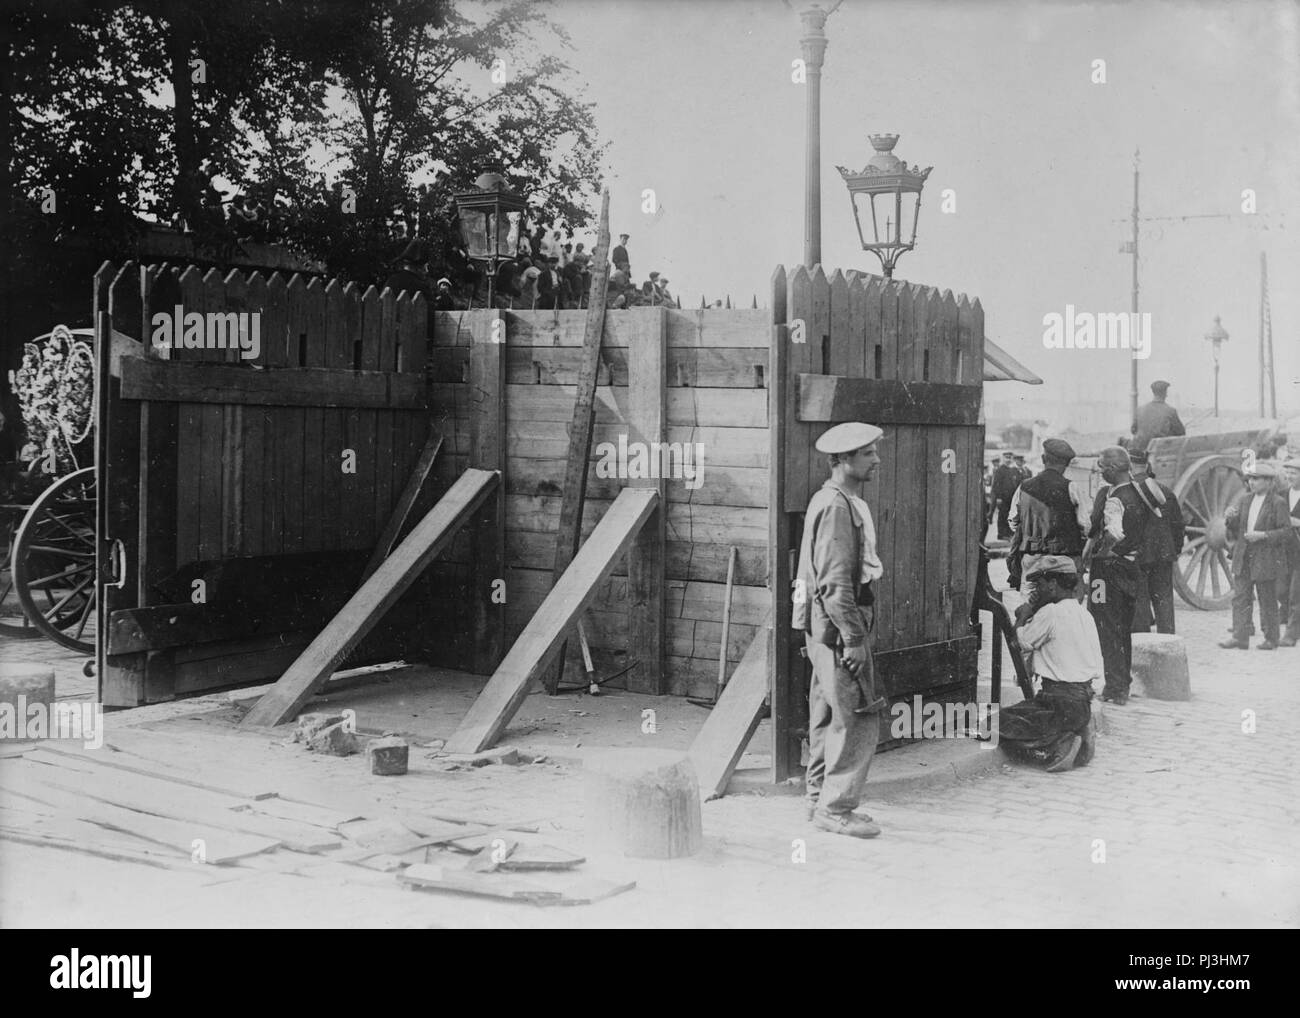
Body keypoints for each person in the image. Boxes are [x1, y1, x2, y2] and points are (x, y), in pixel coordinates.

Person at [792, 421, 889, 839]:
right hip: (838, 626)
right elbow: (833, 582)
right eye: (868, 453)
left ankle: (818, 799)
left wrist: (807, 629)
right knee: (858, 716)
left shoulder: (833, 500)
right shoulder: (835, 506)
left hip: (822, 628)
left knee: (827, 713)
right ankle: (835, 807)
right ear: (843, 460)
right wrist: (853, 638)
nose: (876, 460)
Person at [1000, 556, 1103, 772]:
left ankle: (1058, 745)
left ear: (1053, 585)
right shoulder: (1085, 615)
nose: (1036, 590)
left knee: (992, 723)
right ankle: (1077, 732)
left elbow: (1020, 642)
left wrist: (1024, 614)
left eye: (1040, 584)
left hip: (1057, 703)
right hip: (1082, 703)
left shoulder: (1050, 613)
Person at [1085, 445, 1152, 705]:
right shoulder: (1137, 492)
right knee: (1121, 626)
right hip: (1128, 569)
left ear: (1113, 469)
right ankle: (1121, 682)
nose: (1100, 471)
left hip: (1106, 571)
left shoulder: (1114, 498)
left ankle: (1114, 687)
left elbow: (1112, 534)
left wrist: (1098, 555)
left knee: (1105, 623)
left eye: (1102, 467)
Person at [1219, 461, 1292, 650]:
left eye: (1256, 479)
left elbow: (1286, 532)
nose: (1251, 482)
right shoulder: (1245, 500)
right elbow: (1237, 528)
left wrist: (1263, 535)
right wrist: (1230, 518)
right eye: (1250, 479)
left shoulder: (1278, 502)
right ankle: (1240, 637)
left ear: (1268, 482)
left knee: (1266, 598)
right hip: (1244, 555)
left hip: (1266, 556)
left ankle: (1271, 638)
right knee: (1241, 597)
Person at [1007, 438, 1091, 600]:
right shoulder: (1071, 487)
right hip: (1065, 558)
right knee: (1067, 610)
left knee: (1032, 610)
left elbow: (1013, 521)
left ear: (1043, 459)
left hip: (1032, 558)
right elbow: (1085, 526)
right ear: (1066, 464)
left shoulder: (1024, 486)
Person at [1130, 452, 1185, 634]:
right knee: (1164, 603)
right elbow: (1178, 526)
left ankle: (1143, 646)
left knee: (1140, 605)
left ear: (1130, 467)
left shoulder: (1125, 492)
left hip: (1136, 557)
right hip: (1163, 555)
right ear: (1147, 466)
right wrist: (1174, 550)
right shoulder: (1165, 491)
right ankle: (1168, 645)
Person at [1130, 379, 1185, 455]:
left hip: (1140, 453)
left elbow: (1133, 430)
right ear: (1165, 393)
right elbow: (1181, 433)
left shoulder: (1140, 410)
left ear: (1153, 393)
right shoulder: (1170, 411)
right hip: (1160, 453)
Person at [1278, 457, 1300, 646]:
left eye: (1294, 473)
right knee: (1281, 590)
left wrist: (1296, 522)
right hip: (1283, 552)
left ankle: (1291, 634)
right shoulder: (1282, 494)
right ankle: (1285, 617)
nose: (1289, 476)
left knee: (1296, 594)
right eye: (1288, 473)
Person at [991, 451, 1021, 540]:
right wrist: (998, 497)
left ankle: (1008, 533)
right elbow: (996, 485)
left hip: (1011, 498)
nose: (1008, 459)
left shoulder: (1012, 470)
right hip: (1003, 497)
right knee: (1002, 515)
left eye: (1009, 458)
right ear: (1003, 458)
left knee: (1010, 515)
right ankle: (1001, 534)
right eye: (1006, 457)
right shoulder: (1000, 470)